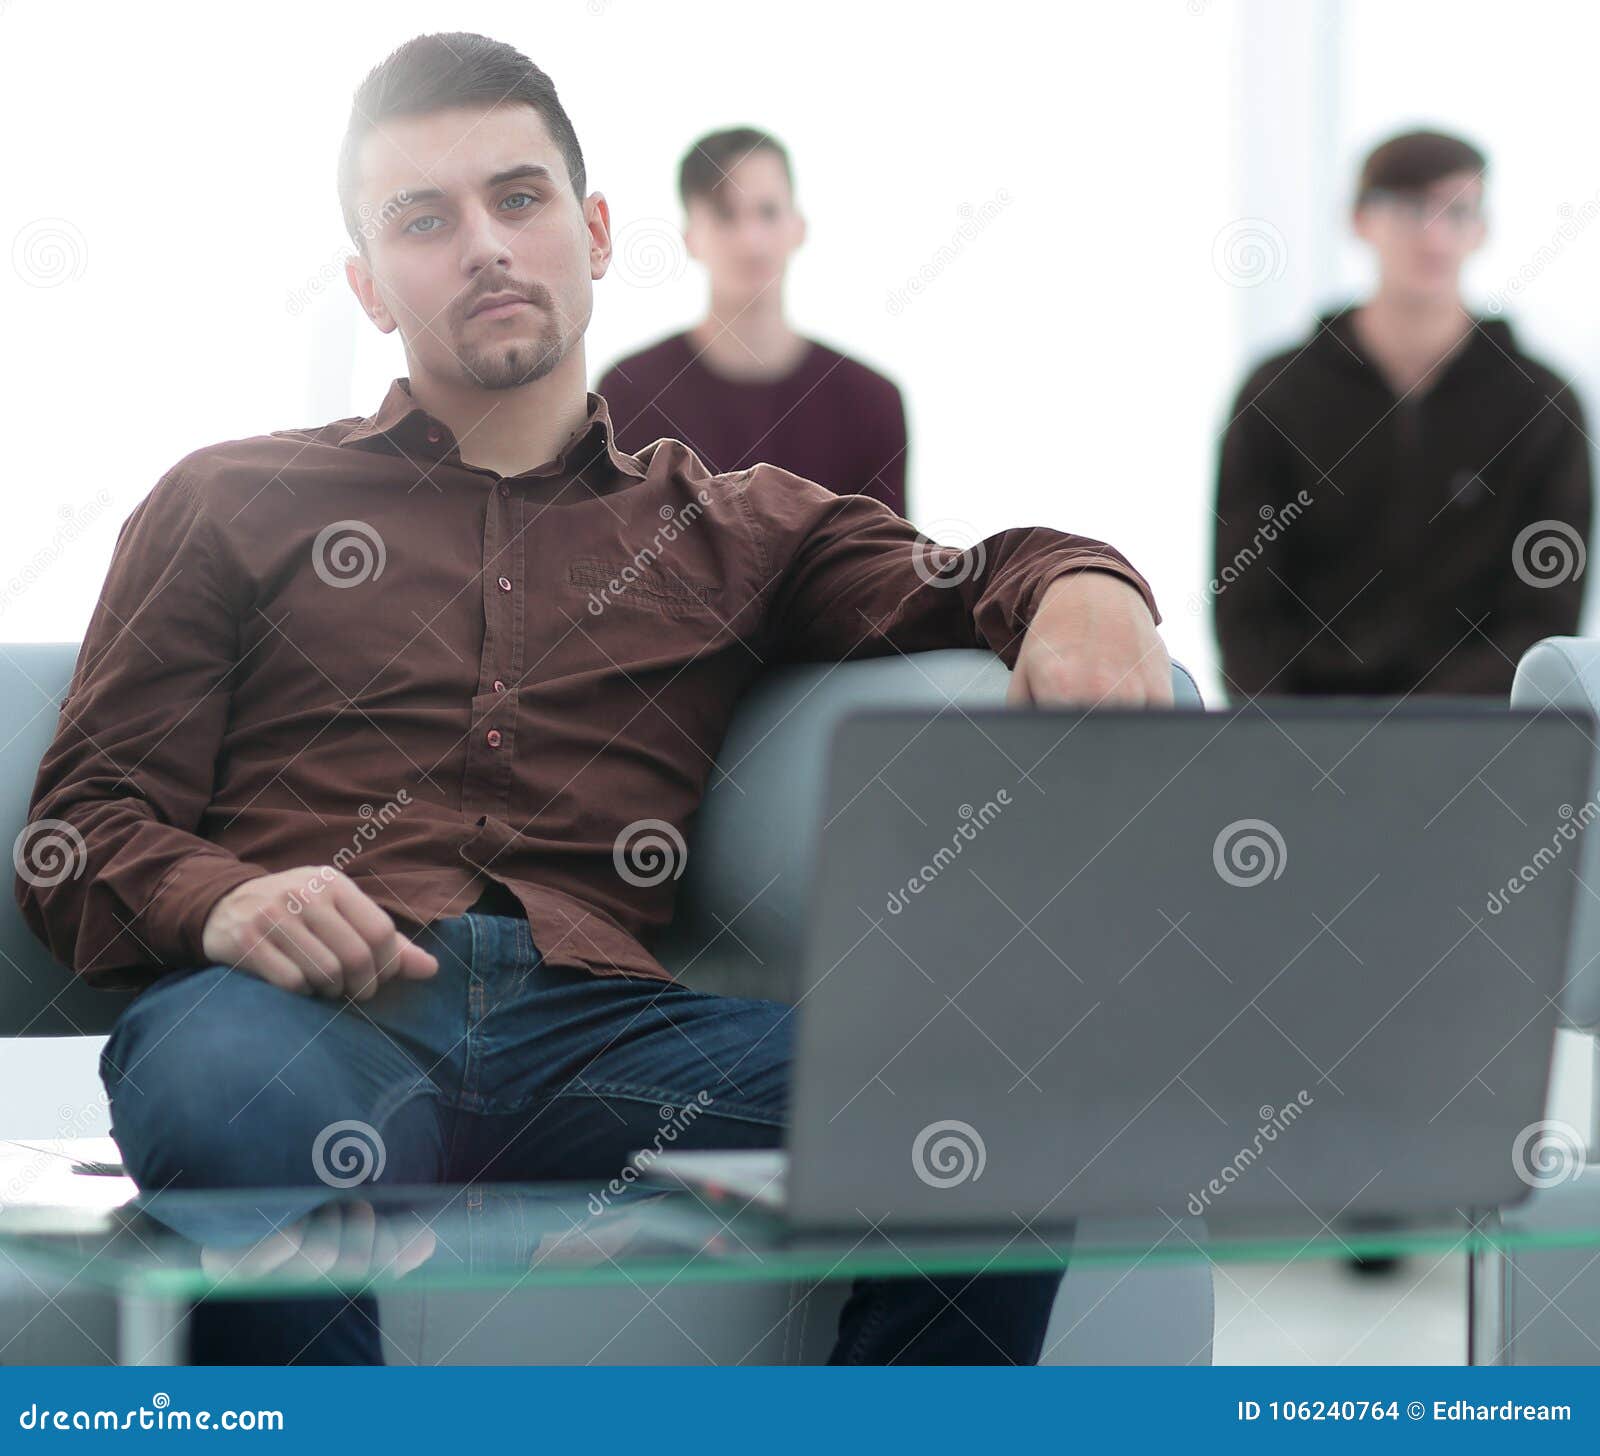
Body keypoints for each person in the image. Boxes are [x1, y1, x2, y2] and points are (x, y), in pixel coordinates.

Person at [15, 33, 1170, 1364]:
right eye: (423, 221)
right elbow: (82, 828)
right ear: (368, 285)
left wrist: (1089, 588)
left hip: (608, 1031)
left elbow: (979, 576)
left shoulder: (733, 526)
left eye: (520, 199)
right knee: (226, 1098)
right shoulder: (228, 499)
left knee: (1002, 1102)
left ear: (598, 231)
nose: (486, 248)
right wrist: (227, 898)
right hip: (301, 1021)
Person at [1213, 129, 1592, 702]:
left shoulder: (1542, 404)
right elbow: (1245, 608)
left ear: (1482, 230)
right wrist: (1284, 748)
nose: (1434, 234)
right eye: (1411, 208)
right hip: (1304, 739)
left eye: (1457, 211)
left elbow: (1546, 614)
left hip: (1477, 747)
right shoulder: (1277, 394)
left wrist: (1430, 738)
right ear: (1360, 220)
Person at [597, 127, 909, 516]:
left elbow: (890, 568)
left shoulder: (871, 402)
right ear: (691, 237)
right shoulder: (631, 394)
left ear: (798, 226)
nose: (751, 240)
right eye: (726, 215)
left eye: (768, 211)